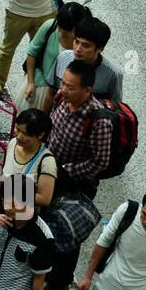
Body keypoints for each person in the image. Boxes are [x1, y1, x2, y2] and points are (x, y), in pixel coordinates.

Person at [45, 59, 112, 202]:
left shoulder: (99, 122)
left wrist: (64, 170)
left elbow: (100, 162)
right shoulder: (61, 98)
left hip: (69, 184)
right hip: (46, 166)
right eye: (62, 83)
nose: (63, 90)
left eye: (70, 87)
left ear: (87, 90)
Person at [43, 17, 124, 110]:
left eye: (85, 45)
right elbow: (50, 94)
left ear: (100, 49)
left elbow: (116, 110)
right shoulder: (62, 57)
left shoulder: (113, 75)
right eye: (76, 42)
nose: (77, 49)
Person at [21, 0, 87, 107]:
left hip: (66, 95)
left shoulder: (84, 43)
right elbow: (32, 53)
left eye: (67, 31)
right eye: (60, 28)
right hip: (41, 87)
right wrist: (30, 82)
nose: (61, 33)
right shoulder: (50, 26)